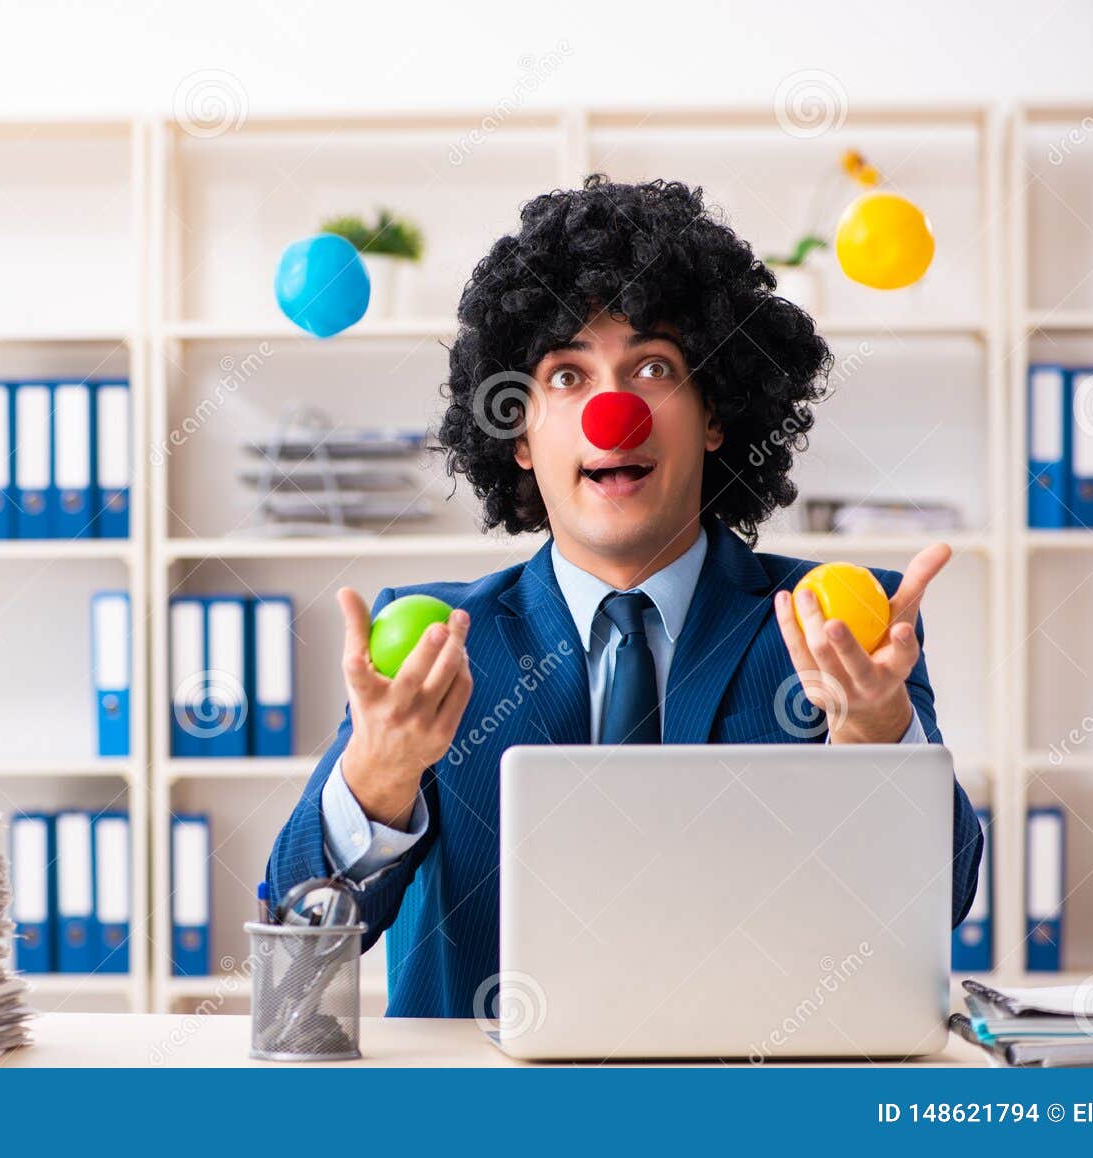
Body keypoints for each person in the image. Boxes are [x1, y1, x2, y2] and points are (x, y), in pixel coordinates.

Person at [266, 176, 984, 1020]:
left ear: (715, 415)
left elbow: (941, 900)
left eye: (652, 367)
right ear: (521, 436)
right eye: (567, 375)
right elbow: (293, 951)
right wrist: (378, 778)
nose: (616, 413)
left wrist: (874, 735)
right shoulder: (433, 647)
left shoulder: (844, 623)